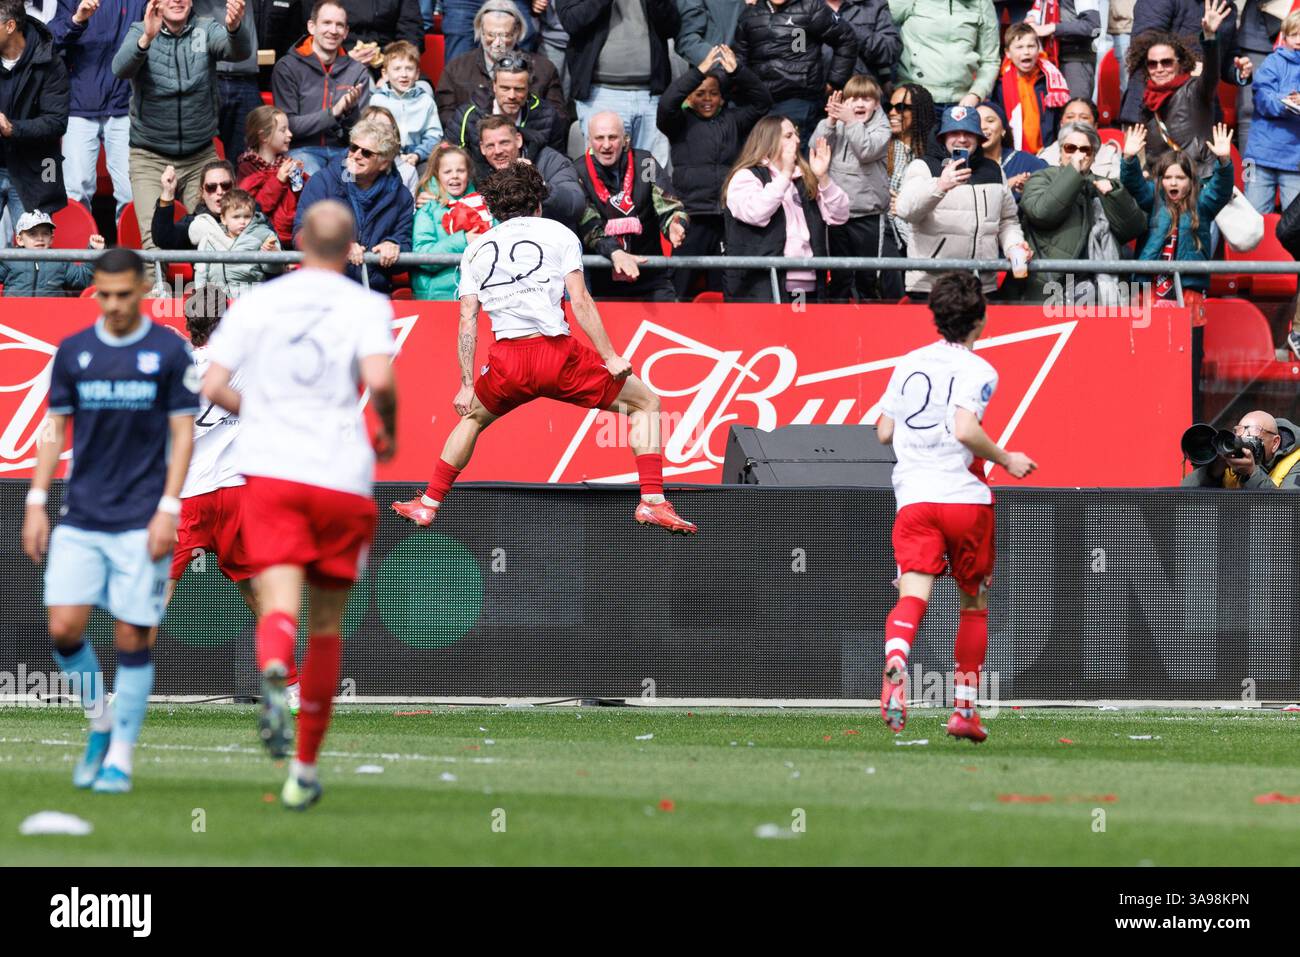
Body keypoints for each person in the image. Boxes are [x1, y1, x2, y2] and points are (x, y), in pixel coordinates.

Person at [201, 200, 396, 810]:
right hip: (340, 471)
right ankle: (304, 772)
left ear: (299, 242)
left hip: (273, 471)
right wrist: (386, 431)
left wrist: (261, 415)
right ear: (348, 249)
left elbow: (211, 383)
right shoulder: (366, 305)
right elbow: (382, 385)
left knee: (277, 602)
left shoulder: (258, 303)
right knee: (329, 625)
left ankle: (273, 663)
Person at [390, 161, 697, 534]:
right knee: (645, 403)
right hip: (557, 357)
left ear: (494, 208)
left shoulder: (476, 249)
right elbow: (581, 301)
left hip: (507, 364)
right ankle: (652, 501)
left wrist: (467, 383)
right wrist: (610, 356)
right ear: (537, 201)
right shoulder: (559, 233)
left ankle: (427, 503)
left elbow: (467, 318)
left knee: (471, 419)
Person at [22, 247, 198, 793]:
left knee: (133, 635)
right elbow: (55, 427)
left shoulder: (170, 351)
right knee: (64, 627)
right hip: (82, 516)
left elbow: (183, 433)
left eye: (125, 295)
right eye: (106, 295)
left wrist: (170, 508)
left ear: (144, 290)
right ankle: (99, 720)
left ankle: (120, 754)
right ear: (94, 290)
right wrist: (35, 498)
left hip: (144, 517)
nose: (116, 305)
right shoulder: (74, 352)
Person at [874, 270, 1037, 742]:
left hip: (915, 499)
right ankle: (964, 711)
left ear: (936, 316)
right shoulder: (980, 369)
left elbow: (884, 431)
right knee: (974, 604)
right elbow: (966, 429)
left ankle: (898, 656)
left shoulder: (908, 362)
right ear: (981, 319)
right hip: (965, 499)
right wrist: (1007, 458)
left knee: (912, 594)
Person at [165, 286, 282, 700]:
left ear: (188, 325)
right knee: (262, 598)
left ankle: (127, 684)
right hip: (237, 493)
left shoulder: (174, 367)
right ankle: (295, 689)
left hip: (191, 494)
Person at [112, 0, 253, 249]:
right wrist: (146, 37)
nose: (177, 0)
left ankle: (207, 290)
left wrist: (234, 28)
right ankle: (160, 289)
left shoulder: (206, 28)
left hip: (199, 155)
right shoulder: (140, 29)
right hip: (150, 155)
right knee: (153, 241)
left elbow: (238, 52)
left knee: (212, 235)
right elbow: (120, 69)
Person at [1121, 122, 1233, 421]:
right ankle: (1143, 418)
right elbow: (1132, 183)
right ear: (1160, 181)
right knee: (1145, 363)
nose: (1174, 183)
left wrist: (1223, 162)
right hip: (1149, 295)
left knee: (1186, 365)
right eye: (1168, 177)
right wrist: (1129, 159)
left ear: (1190, 181)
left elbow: (1221, 190)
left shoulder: (1202, 205)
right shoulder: (1153, 201)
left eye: (1180, 177)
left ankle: (1185, 425)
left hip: (1189, 296)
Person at [655, 43, 770, 301]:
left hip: (725, 217)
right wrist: (699, 71)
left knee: (725, 289)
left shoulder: (733, 120)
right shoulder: (678, 122)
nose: (707, 99)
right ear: (690, 97)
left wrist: (738, 71)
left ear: (722, 97)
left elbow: (763, 102)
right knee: (679, 288)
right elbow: (666, 104)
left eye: (713, 94)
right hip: (691, 216)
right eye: (700, 93)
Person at [895, 104, 1028, 300]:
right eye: (954, 132)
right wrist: (940, 185)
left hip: (982, 285)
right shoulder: (923, 166)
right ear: (942, 137)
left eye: (969, 133)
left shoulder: (993, 169)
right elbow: (906, 210)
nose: (962, 139)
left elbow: (1007, 220)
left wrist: (1013, 245)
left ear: (978, 138)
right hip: (931, 284)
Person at [721, 115, 850, 303]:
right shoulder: (746, 176)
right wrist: (785, 175)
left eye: (796, 135)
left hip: (808, 283)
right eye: (788, 135)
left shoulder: (804, 177)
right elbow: (755, 212)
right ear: (769, 141)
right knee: (768, 334)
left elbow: (839, 215)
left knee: (803, 333)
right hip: (760, 286)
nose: (797, 140)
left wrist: (823, 178)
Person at [1016, 121, 1146, 301]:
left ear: (1093, 156)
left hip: (1098, 289)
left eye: (1086, 150)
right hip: (1050, 285)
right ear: (1061, 151)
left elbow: (1133, 228)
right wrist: (1073, 173)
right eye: (1071, 148)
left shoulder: (1104, 184)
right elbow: (1042, 214)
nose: (1078, 154)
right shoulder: (1042, 177)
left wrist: (1115, 194)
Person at [575, 110, 687, 301]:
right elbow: (590, 225)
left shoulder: (645, 163)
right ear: (589, 142)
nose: (606, 145)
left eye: (613, 137)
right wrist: (615, 252)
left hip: (651, 276)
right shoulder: (578, 172)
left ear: (626, 140)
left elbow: (667, 204)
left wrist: (675, 223)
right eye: (599, 138)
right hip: (604, 280)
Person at [294, 117, 413, 294]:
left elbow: (405, 243)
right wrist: (340, 247)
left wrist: (394, 246)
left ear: (384, 163)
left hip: (372, 294)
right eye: (353, 147)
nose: (356, 155)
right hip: (324, 290)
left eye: (366, 153)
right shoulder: (323, 182)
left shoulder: (401, 197)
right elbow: (301, 234)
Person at [556, 0, 680, 168]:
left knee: (651, 169)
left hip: (651, 94)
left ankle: (649, 195)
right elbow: (572, 21)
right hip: (600, 94)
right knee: (606, 169)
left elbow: (672, 26)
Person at [1124, 2, 1240, 175]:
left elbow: (1224, 60)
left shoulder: (1226, 5)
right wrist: (1187, 67)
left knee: (1200, 189)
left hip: (1199, 114)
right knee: (1146, 186)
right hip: (1150, 110)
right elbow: (1144, 45)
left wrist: (1239, 71)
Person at [50, 0, 141, 220]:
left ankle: (134, 255)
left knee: (132, 193)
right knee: (75, 191)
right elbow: (50, 40)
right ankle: (77, 254)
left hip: (125, 105)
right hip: (80, 105)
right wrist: (77, 19)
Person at [811, 77, 893, 301]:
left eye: (866, 99)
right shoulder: (838, 122)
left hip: (868, 214)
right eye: (853, 98)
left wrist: (850, 123)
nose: (859, 104)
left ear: (876, 104)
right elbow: (814, 149)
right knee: (839, 278)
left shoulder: (882, 127)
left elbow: (867, 150)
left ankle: (869, 328)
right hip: (836, 215)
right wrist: (829, 121)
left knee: (868, 278)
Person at [730, 0, 856, 145]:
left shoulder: (811, 7)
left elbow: (846, 39)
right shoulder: (750, 15)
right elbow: (739, 59)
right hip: (760, 104)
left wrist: (834, 81)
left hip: (799, 100)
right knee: (762, 160)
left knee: (795, 159)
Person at [272, 0, 372, 178]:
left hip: (344, 152)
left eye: (339, 25)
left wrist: (350, 113)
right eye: (326, 23)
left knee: (352, 184)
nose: (333, 31)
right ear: (312, 26)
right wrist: (333, 113)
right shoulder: (287, 67)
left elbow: (360, 133)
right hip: (301, 150)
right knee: (315, 182)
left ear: (346, 32)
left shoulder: (357, 71)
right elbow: (288, 126)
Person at [0, 0, 69, 243]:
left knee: (34, 255)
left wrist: (11, 128)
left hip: (34, 170)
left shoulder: (50, 62)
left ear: (9, 26)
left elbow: (56, 123)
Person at [435, 0, 564, 129]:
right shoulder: (456, 69)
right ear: (481, 31)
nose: (498, 43)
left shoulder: (544, 70)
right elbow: (445, 117)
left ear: (517, 33)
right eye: (491, 35)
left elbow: (559, 120)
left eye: (505, 35)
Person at [448, 52, 567, 161]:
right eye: (505, 88)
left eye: (519, 89)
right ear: (494, 85)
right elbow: (449, 161)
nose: (512, 96)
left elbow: (559, 163)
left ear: (529, 88)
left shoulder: (547, 115)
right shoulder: (467, 115)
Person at [411, 144, 493, 299]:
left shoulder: (483, 207)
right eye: (447, 171)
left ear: (468, 174)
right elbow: (422, 255)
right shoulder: (427, 210)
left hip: (479, 296)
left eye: (460, 171)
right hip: (437, 298)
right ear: (436, 175)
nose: (454, 176)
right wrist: (463, 240)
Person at [474, 112, 585, 226]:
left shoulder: (550, 160)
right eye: (490, 146)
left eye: (504, 143)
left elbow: (576, 205)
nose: (497, 151)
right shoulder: (476, 172)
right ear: (482, 148)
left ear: (518, 140)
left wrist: (538, 183)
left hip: (552, 236)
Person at [890, 0, 1001, 112]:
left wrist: (976, 93)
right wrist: (885, 75)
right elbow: (880, 27)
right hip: (914, 97)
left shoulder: (983, 3)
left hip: (962, 102)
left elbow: (990, 60)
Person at [882, 82, 937, 300]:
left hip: (920, 238)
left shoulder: (933, 156)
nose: (893, 112)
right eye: (890, 106)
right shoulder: (879, 146)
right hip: (887, 237)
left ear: (919, 112)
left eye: (901, 107)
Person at [1242, 11, 1300, 215]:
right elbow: (1261, 96)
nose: (1299, 40)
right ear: (1284, 37)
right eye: (1294, 35)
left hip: (1295, 162)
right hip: (1257, 157)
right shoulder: (1272, 62)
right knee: (1250, 218)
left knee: (1293, 228)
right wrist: (1288, 103)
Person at [990, 21, 1069, 155]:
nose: (1026, 52)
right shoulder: (999, 85)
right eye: (1019, 47)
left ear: (1039, 49)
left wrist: (1053, 148)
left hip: (1047, 151)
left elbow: (1057, 120)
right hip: (1014, 153)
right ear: (1008, 53)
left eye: (1031, 46)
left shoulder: (1051, 81)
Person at [190, 187, 283, 295]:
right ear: (224, 219)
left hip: (250, 299)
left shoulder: (262, 235)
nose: (242, 221)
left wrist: (273, 255)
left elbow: (274, 270)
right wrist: (199, 294)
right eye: (236, 217)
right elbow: (201, 271)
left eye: (247, 216)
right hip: (217, 300)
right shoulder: (210, 238)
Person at [237, 105, 307, 246]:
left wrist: (298, 180)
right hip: (260, 239)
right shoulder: (247, 167)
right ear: (263, 136)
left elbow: (300, 203)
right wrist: (278, 180)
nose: (290, 134)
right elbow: (255, 209)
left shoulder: (287, 164)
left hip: (288, 234)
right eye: (283, 130)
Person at [368, 39, 443, 169]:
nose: (403, 74)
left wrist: (417, 155)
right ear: (385, 74)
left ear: (417, 74)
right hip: (385, 157)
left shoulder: (425, 101)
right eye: (397, 69)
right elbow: (370, 134)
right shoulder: (377, 100)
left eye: (409, 69)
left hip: (418, 156)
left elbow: (433, 136)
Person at [1181, 411, 1300, 488]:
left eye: (1251, 440)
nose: (1244, 447)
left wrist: (1252, 473)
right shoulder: (1231, 463)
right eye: (1240, 438)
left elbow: (1289, 512)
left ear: (1275, 443)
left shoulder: (1296, 462)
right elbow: (1183, 495)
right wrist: (1213, 471)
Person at [0, 210, 103, 294]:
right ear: (20, 240)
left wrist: (94, 251)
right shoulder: (10, 259)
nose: (40, 238)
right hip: (14, 314)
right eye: (32, 234)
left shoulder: (60, 260)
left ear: (51, 239)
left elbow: (83, 279)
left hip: (52, 314)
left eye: (45, 233)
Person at [152, 159, 238, 250]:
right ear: (202, 193)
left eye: (226, 185)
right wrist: (168, 191)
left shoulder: (250, 217)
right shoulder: (194, 223)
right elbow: (163, 238)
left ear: (234, 188)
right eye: (211, 187)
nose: (220, 192)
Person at [1023, 0, 1101, 99]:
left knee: (1074, 109)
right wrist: (1033, 18)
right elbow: (1039, 9)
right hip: (1050, 61)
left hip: (1075, 61)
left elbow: (1093, 27)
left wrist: (1053, 28)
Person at [977, 100, 1048, 201]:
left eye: (990, 121)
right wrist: (1007, 186)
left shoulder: (1026, 162)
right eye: (977, 122)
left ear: (1003, 130)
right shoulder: (967, 166)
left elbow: (1054, 186)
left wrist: (1031, 187)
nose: (983, 127)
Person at [822, 0, 901, 85]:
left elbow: (891, 50)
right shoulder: (807, 7)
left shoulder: (874, 5)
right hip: (816, 93)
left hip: (864, 92)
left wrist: (852, 31)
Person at [1037, 97, 1120, 177]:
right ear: (1061, 124)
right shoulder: (1046, 156)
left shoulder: (1109, 156)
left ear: (1095, 126)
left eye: (1084, 117)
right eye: (1070, 117)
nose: (1076, 121)